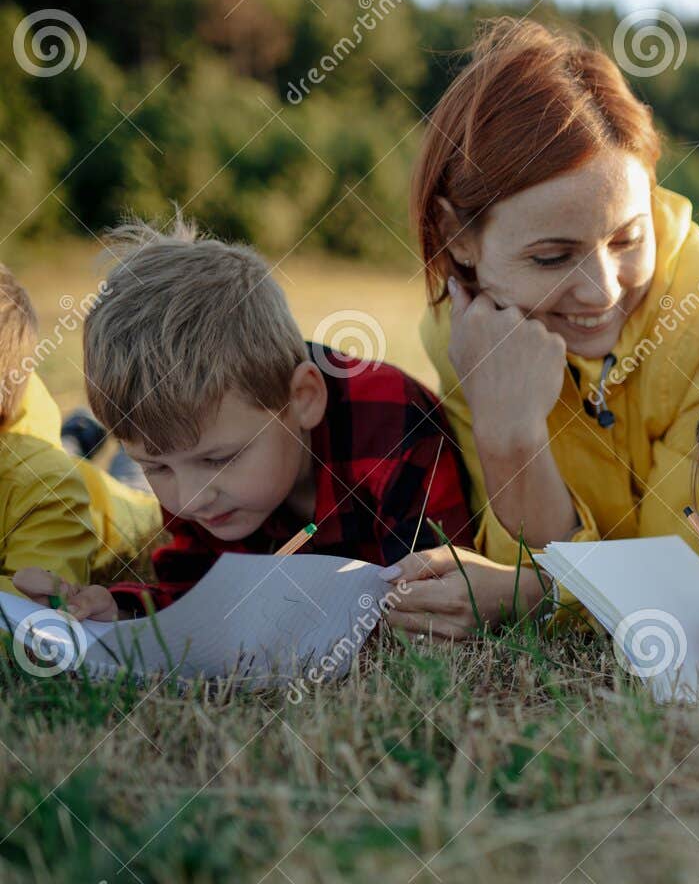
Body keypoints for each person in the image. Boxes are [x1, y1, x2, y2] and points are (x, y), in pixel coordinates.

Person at [388, 18, 699, 637]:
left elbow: (688, 597)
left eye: (628, 238)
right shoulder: (461, 329)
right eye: (552, 257)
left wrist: (532, 594)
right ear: (460, 237)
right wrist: (512, 439)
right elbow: (520, 552)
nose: (604, 290)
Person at [13, 218, 473, 621]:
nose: (192, 499)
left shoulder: (391, 423)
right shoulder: (193, 458)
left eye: (221, 459)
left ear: (304, 398)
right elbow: (198, 592)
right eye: (159, 467)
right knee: (129, 478)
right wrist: (119, 608)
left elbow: (435, 589)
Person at [0, 264, 161, 597]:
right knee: (63, 455)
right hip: (54, 465)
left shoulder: (46, 490)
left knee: (140, 462)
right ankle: (80, 431)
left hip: (118, 509)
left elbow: (37, 604)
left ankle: (116, 422)